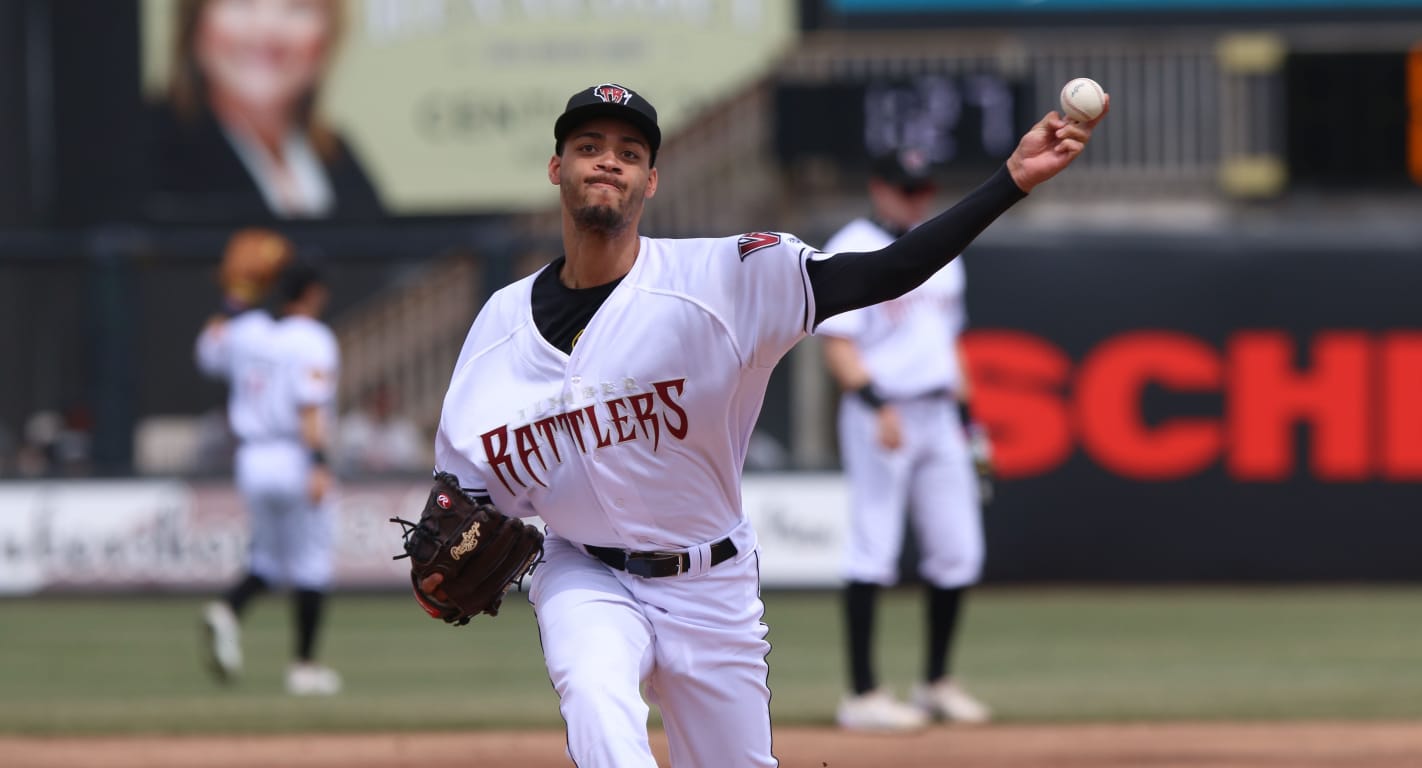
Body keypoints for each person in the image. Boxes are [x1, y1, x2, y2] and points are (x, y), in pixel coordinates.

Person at [423, 82, 1105, 766]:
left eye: (628, 152)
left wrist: (1009, 181)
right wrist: (443, 547)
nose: (608, 162)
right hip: (584, 574)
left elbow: (885, 273)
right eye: (588, 147)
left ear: (651, 180)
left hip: (711, 586)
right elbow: (468, 486)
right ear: (556, 168)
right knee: (597, 700)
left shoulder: (722, 279)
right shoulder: (499, 329)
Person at [818, 147, 993, 732]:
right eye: (904, 188)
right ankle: (863, 694)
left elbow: (948, 342)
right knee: (874, 545)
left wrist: (970, 425)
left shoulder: (944, 247)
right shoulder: (853, 243)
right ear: (879, 188)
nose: (916, 199)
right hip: (881, 411)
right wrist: (874, 404)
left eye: (922, 189)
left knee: (958, 549)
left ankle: (936, 682)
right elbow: (837, 344)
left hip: (939, 412)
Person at [197, 238, 344, 697]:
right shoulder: (312, 338)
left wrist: (234, 295)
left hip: (250, 457)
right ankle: (304, 667)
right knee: (311, 563)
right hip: (293, 455)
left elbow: (207, 352)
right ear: (315, 292)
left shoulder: (249, 332)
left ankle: (228, 609)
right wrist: (319, 462)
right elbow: (310, 406)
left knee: (268, 558)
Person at [146, 0, 383, 222]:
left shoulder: (337, 156)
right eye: (242, 2)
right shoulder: (144, 149)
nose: (267, 29)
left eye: (298, 5)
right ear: (195, 20)